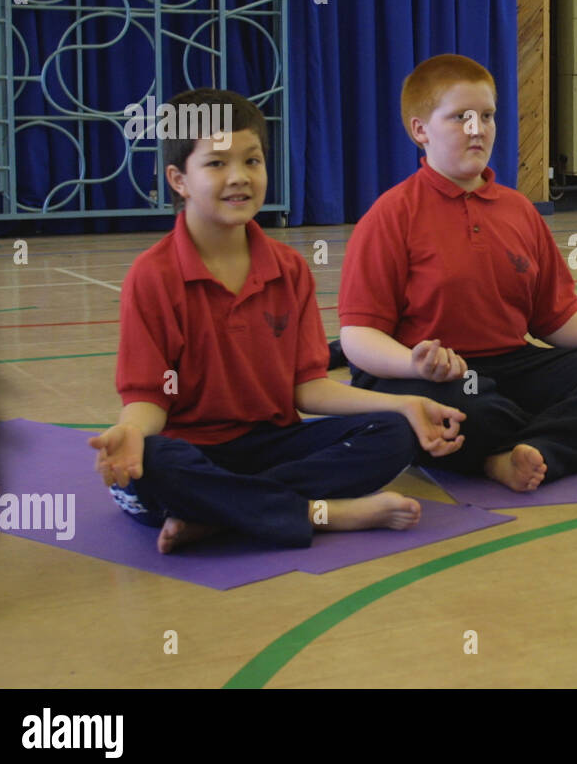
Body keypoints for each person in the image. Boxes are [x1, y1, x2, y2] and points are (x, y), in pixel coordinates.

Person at [90, 88, 466, 553]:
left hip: (269, 445)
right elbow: (149, 398)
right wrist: (130, 433)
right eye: (216, 164)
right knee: (152, 462)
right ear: (178, 180)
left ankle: (220, 512)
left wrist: (404, 404)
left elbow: (306, 388)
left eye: (252, 161)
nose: (239, 178)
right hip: (189, 451)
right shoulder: (152, 276)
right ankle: (318, 513)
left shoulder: (288, 269)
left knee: (391, 433)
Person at [338, 54, 577, 492]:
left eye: (487, 116)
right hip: (425, 376)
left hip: (506, 366)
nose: (478, 129)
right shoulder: (390, 216)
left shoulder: (519, 211)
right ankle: (511, 447)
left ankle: (536, 451)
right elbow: (357, 339)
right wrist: (413, 363)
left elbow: (556, 320)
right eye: (460, 118)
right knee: (470, 406)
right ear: (419, 130)